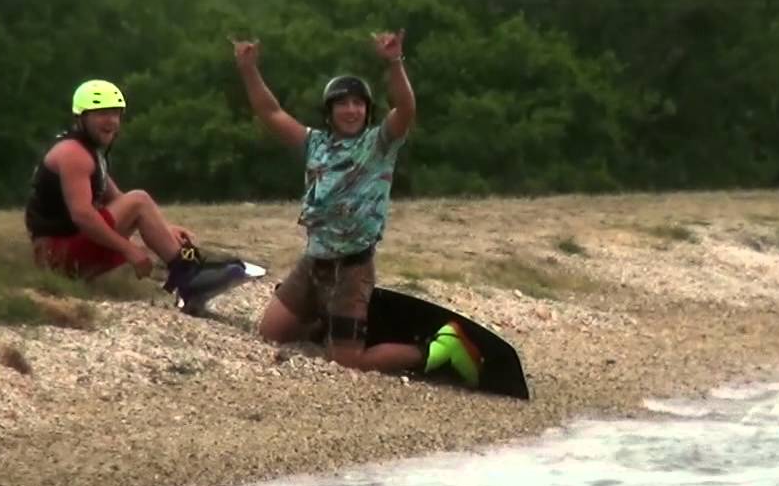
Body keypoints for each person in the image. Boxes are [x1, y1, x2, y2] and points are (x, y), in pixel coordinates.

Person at [232, 31, 481, 387]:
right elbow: (270, 112)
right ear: (330, 111)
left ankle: (439, 349)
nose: (351, 110)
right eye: (342, 104)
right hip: (314, 264)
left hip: (352, 270)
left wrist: (394, 62)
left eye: (358, 103)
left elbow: (407, 108)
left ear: (367, 110)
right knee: (270, 333)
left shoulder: (379, 143)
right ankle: (329, 321)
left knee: (347, 363)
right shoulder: (314, 143)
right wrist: (248, 69)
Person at [24, 79, 238, 306]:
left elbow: (118, 200)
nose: (112, 121)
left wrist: (165, 229)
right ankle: (190, 277)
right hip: (57, 258)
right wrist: (129, 250)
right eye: (102, 113)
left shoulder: (89, 152)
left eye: (116, 113)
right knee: (139, 199)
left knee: (137, 201)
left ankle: (192, 272)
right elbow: (83, 216)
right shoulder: (73, 153)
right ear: (81, 117)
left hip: (63, 253)